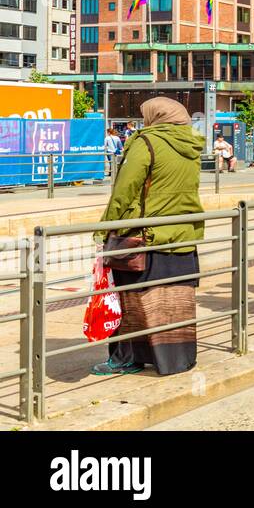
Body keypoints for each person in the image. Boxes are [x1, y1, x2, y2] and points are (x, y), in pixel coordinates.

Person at [91, 97, 205, 377]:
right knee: (175, 301)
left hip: (146, 237)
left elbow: (124, 190)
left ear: (155, 117)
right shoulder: (192, 146)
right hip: (183, 235)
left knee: (132, 300)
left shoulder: (146, 143)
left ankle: (126, 359)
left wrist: (103, 231)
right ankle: (176, 359)